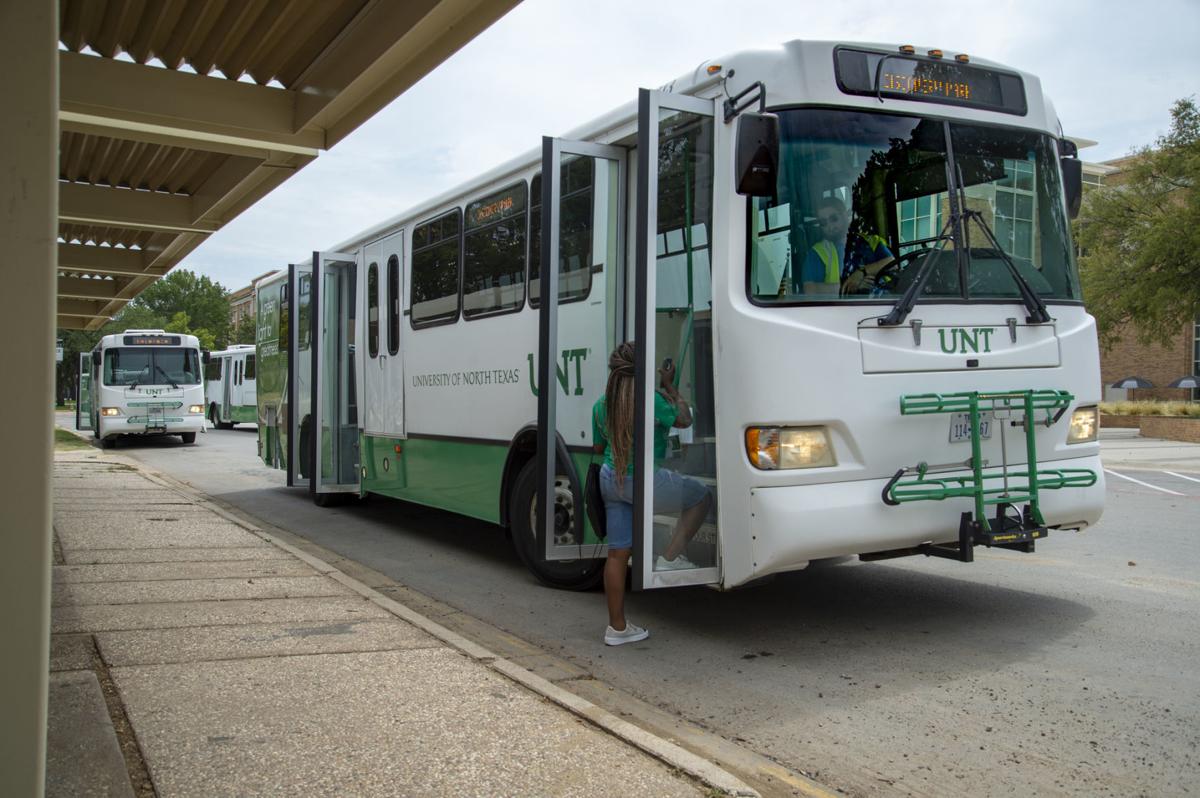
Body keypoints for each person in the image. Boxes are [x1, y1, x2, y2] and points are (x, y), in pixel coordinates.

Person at [591, 342, 711, 646]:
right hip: (642, 480)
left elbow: (598, 448)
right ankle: (670, 557)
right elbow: (685, 419)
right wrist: (669, 386)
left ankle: (616, 629)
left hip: (611, 478)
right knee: (699, 496)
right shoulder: (653, 400)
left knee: (618, 553)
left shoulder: (600, 405)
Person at [799, 196, 894, 296]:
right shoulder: (817, 252)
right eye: (823, 223)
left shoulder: (871, 241)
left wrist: (861, 273)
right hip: (842, 308)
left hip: (886, 304)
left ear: (845, 215)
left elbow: (892, 264)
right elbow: (810, 289)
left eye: (834, 219)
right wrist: (851, 285)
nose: (830, 226)